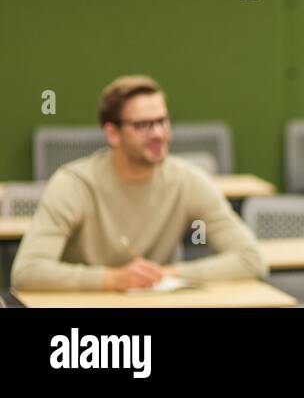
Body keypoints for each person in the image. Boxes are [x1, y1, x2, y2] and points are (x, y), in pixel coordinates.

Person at [11, 75, 266, 291]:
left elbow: (250, 259)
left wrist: (168, 274)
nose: (158, 134)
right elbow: (27, 271)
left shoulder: (188, 180)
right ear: (113, 133)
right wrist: (112, 279)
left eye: (162, 121)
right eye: (143, 125)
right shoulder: (74, 184)